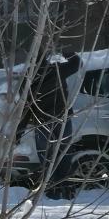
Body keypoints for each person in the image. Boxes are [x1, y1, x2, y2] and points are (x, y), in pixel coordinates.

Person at [21, 50, 81, 185]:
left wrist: (20, 129)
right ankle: (65, 186)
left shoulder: (28, 78)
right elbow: (77, 63)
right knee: (64, 154)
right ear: (46, 59)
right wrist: (66, 50)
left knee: (46, 156)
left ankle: (51, 186)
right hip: (62, 119)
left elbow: (25, 106)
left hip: (42, 122)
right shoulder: (57, 70)